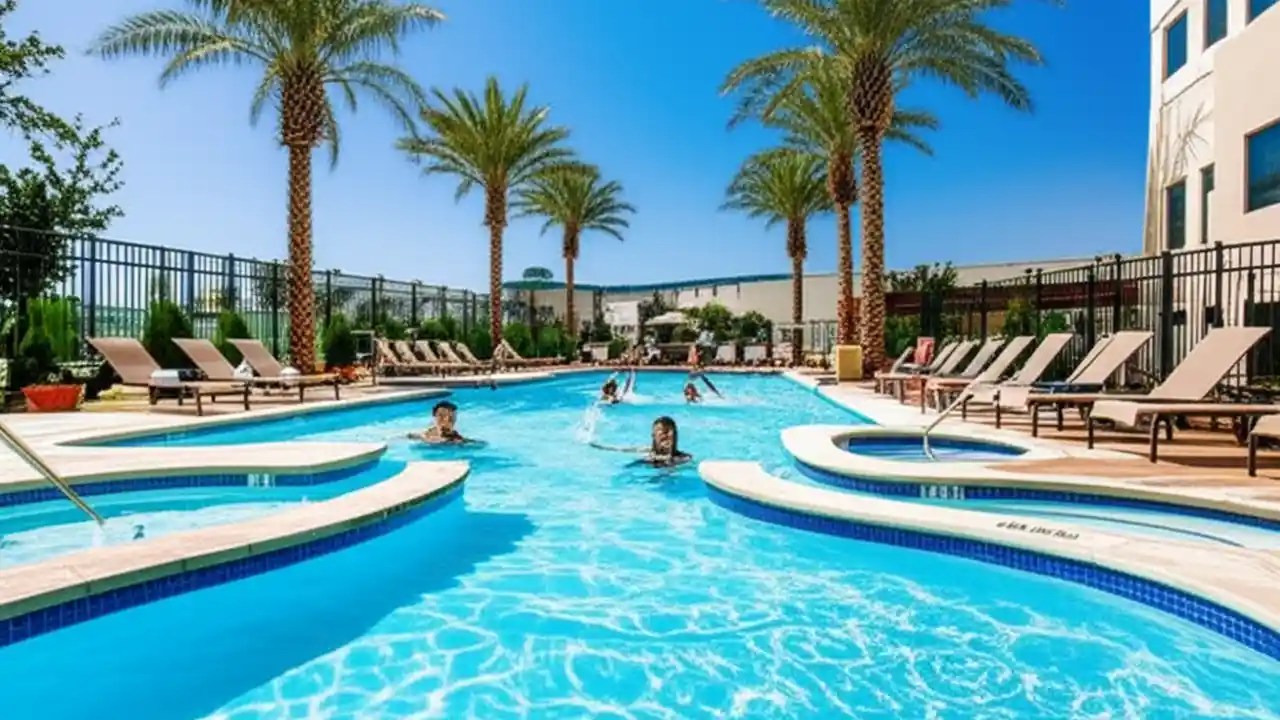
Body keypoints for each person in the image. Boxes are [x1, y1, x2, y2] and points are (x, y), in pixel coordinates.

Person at [591, 416, 692, 467]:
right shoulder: (646, 451)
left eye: (670, 434)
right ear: (653, 436)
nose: (667, 436)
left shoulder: (684, 457)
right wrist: (596, 445)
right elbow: (619, 449)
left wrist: (666, 458)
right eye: (663, 433)